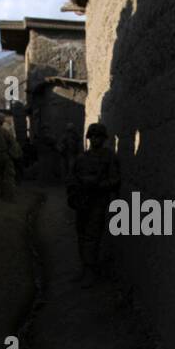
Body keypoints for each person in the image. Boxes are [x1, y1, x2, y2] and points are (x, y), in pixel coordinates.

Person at [68, 122, 121, 286]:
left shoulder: (109, 157)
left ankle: (90, 270)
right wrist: (73, 195)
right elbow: (72, 179)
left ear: (104, 139)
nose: (95, 140)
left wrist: (98, 185)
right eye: (93, 136)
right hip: (82, 201)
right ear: (89, 138)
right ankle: (85, 267)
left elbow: (115, 180)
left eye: (99, 137)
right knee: (82, 235)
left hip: (98, 201)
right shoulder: (81, 158)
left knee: (92, 236)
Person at [0, 112, 20, 200]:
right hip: (5, 156)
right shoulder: (5, 132)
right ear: (3, 121)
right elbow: (13, 144)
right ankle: (9, 196)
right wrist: (12, 155)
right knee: (9, 176)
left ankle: (0, 194)